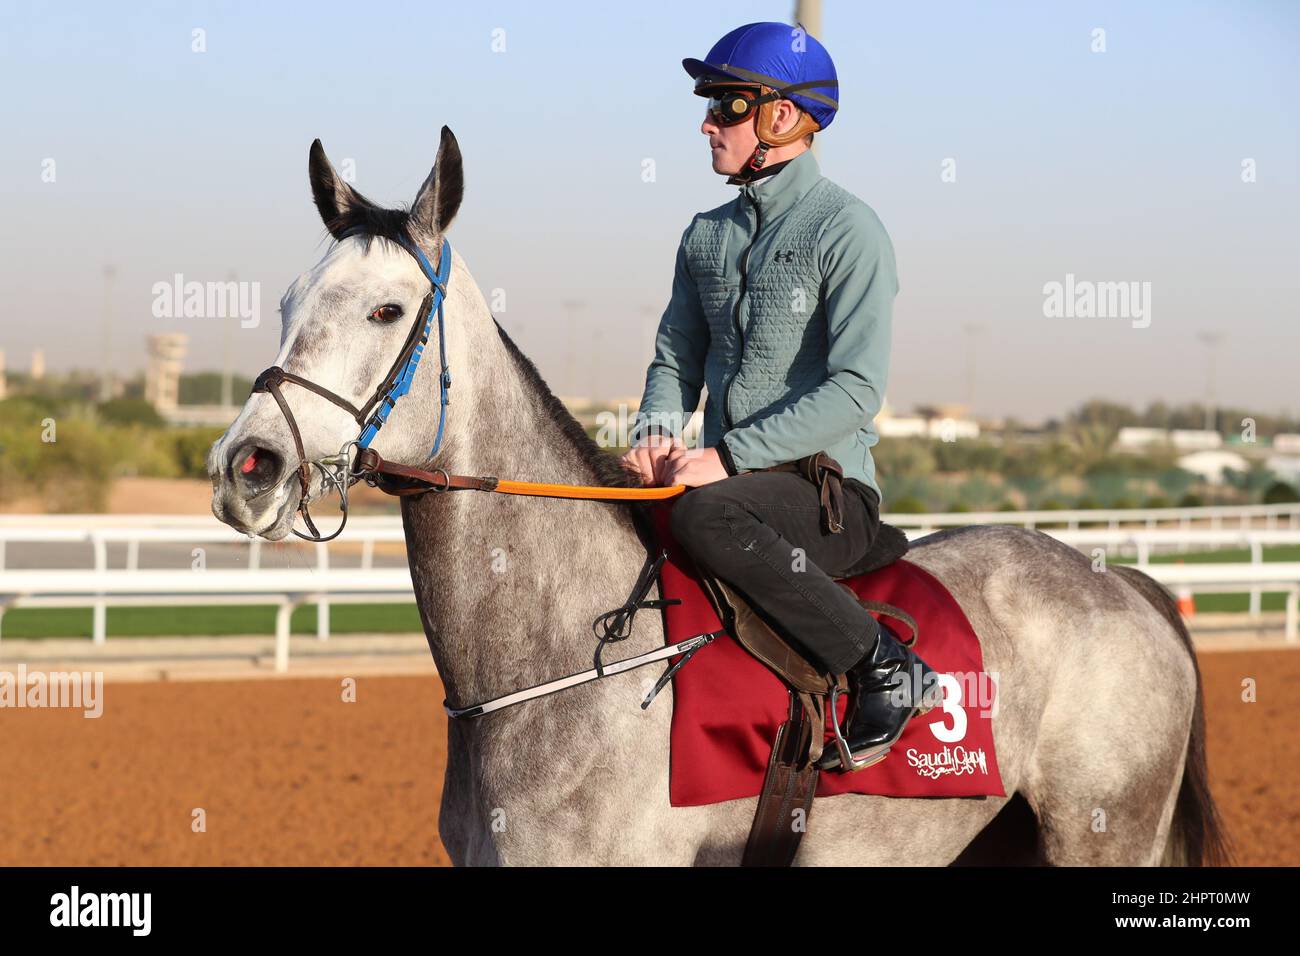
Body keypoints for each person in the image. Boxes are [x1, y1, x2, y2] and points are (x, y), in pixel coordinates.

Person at [620, 21, 939, 771]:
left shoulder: (850, 230)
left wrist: (726, 456)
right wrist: (659, 432)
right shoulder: (704, 235)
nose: (706, 123)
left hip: (827, 496)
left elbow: (857, 390)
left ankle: (884, 665)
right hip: (735, 487)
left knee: (708, 512)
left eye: (726, 106)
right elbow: (676, 357)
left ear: (782, 117)